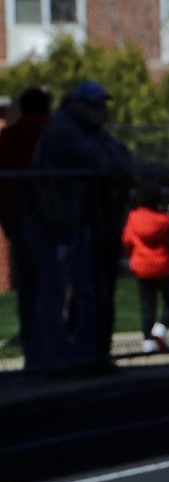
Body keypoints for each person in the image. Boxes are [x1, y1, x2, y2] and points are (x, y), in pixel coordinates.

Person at [27, 80, 133, 373]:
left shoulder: (91, 132)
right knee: (56, 294)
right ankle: (58, 360)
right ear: (76, 105)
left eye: (101, 105)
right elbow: (104, 162)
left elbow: (123, 159)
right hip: (56, 226)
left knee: (86, 292)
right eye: (93, 105)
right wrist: (113, 161)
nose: (100, 112)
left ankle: (84, 356)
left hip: (79, 224)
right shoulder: (63, 130)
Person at [0, 86, 51, 351]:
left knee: (28, 284)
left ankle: (31, 334)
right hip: (50, 222)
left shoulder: (9, 138)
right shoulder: (50, 133)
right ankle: (50, 337)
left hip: (19, 218)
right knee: (53, 283)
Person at [122, 182, 169, 353]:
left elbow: (127, 240)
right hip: (163, 266)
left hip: (142, 267)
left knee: (147, 304)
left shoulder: (133, 217)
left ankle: (147, 339)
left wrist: (133, 256)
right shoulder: (166, 220)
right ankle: (160, 328)